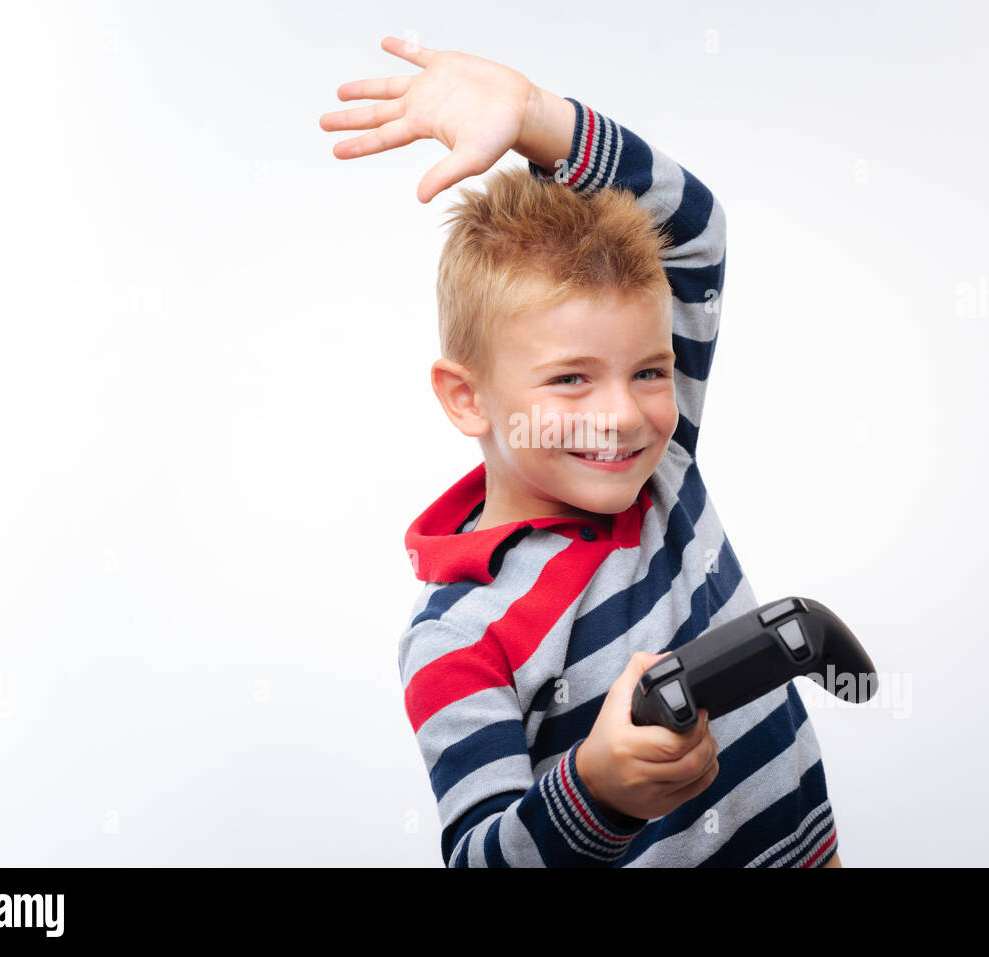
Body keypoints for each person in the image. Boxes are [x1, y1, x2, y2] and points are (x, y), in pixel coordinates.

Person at [321, 36, 843, 867]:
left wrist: (536, 120)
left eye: (649, 370)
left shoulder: (663, 468)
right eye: (569, 379)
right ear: (467, 397)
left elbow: (695, 229)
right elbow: (482, 857)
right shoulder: (460, 637)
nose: (623, 415)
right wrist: (598, 792)